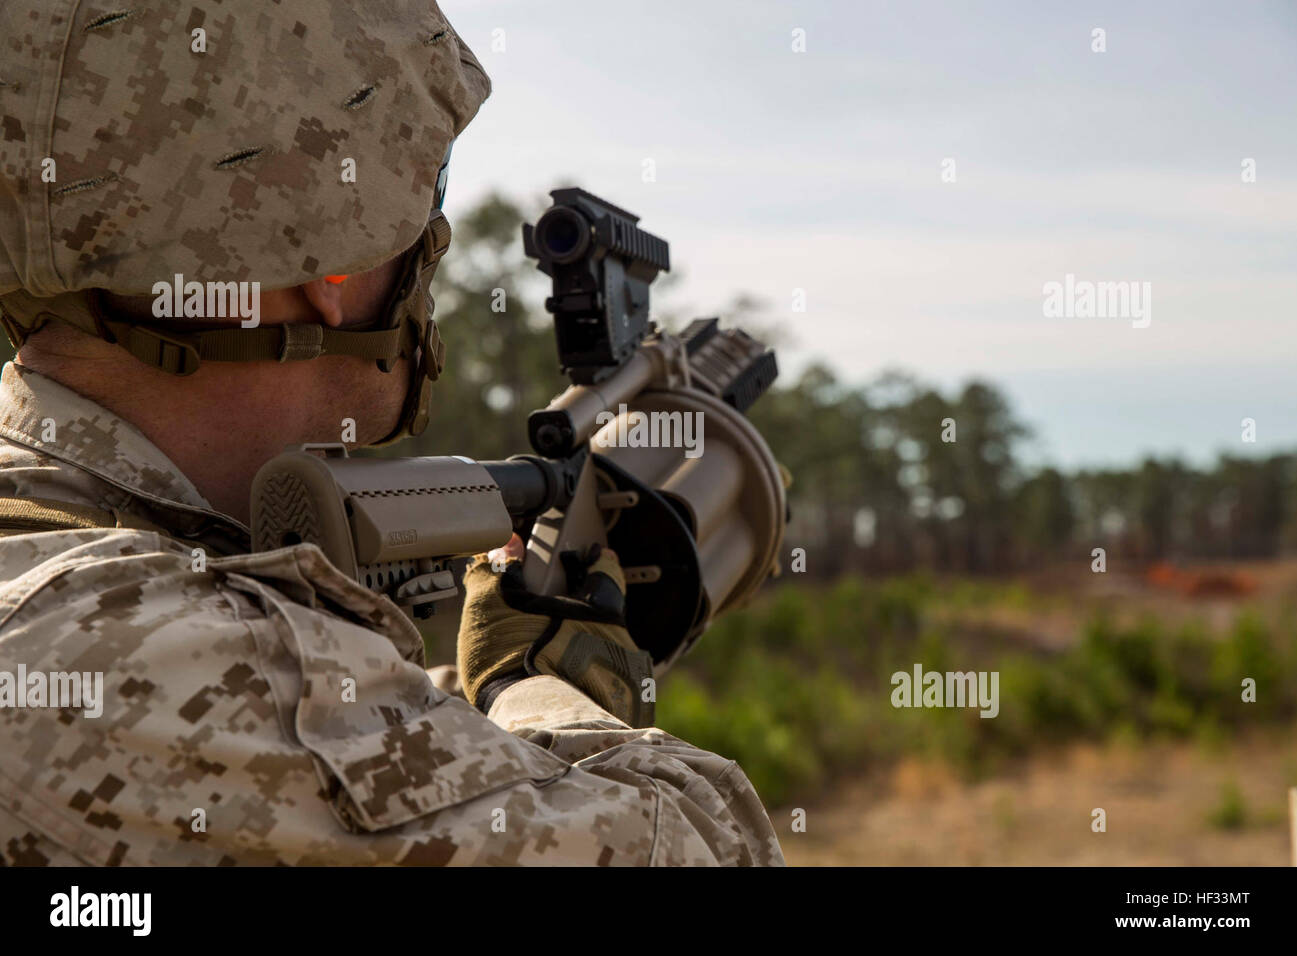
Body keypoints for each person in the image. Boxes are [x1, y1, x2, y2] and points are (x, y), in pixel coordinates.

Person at [0, 0, 783, 866]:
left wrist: (478, 680)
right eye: (424, 187)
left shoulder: (90, 592)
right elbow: (707, 850)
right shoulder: (125, 661)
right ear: (333, 266)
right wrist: (544, 692)